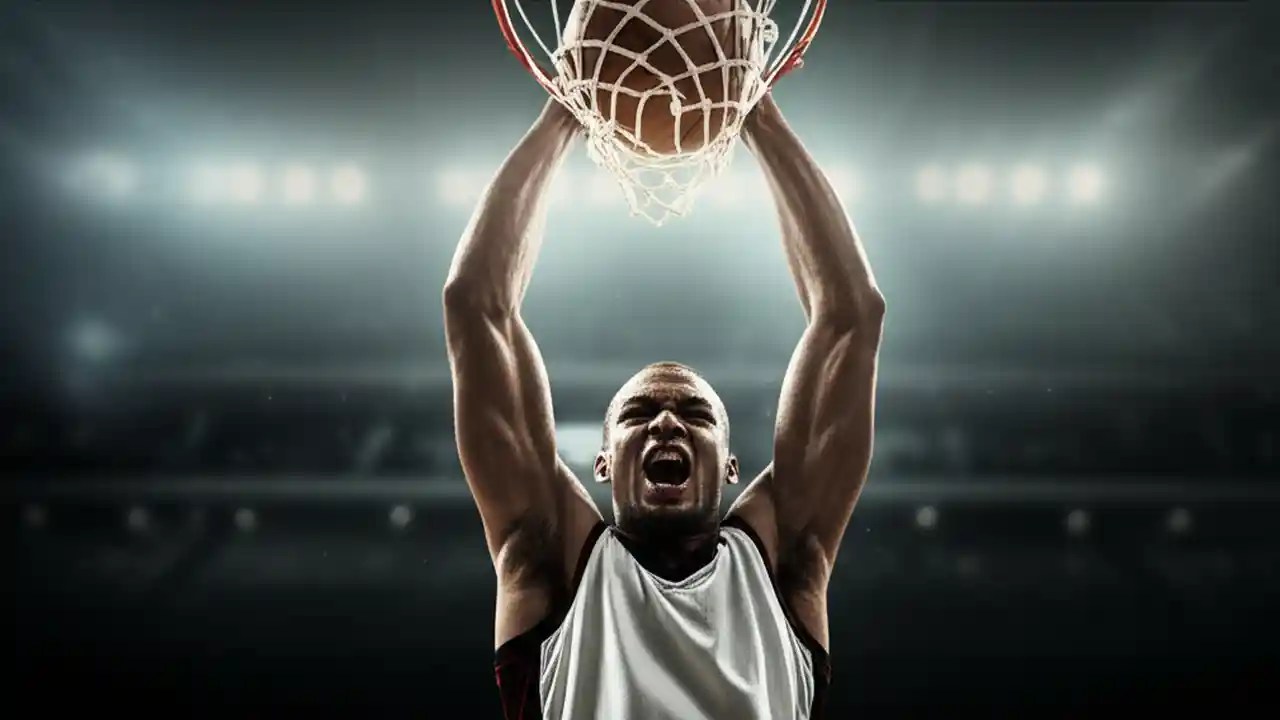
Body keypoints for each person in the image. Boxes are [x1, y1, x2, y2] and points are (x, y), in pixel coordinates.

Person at [443, 92, 885, 720]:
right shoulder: (550, 558)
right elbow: (475, 306)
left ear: (730, 467)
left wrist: (757, 112)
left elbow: (852, 317)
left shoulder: (784, 560)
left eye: (697, 415)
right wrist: (563, 113)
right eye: (637, 414)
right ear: (602, 463)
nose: (668, 421)